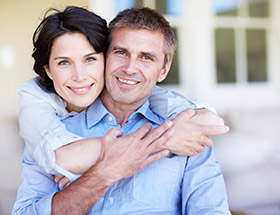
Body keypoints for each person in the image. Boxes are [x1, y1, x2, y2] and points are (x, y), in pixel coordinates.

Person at [13, 6, 230, 215]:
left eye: (146, 57)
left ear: (163, 69)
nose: (130, 68)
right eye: (120, 52)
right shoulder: (51, 133)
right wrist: (106, 172)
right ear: (105, 56)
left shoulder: (187, 133)